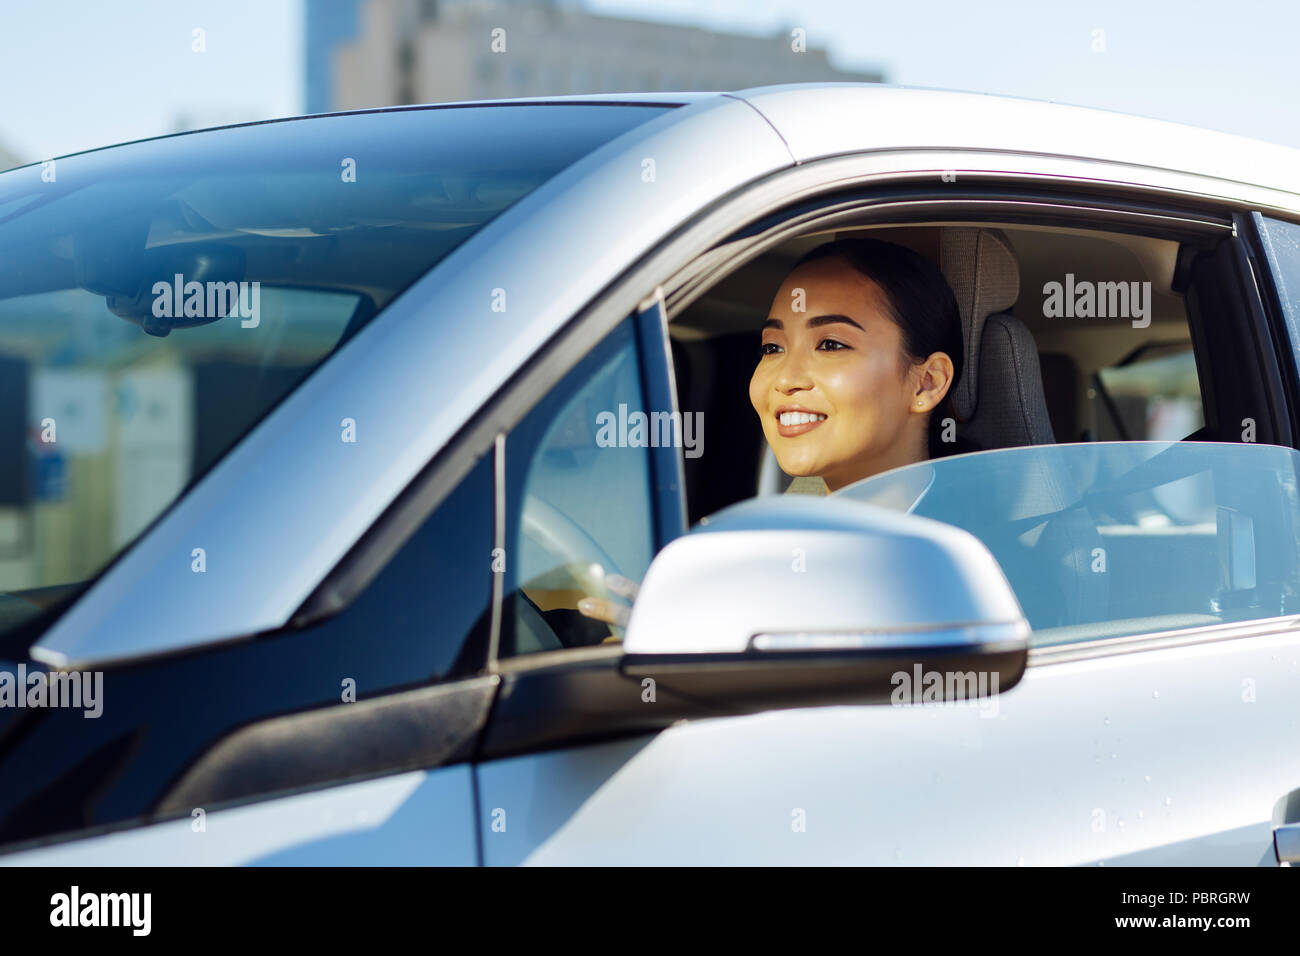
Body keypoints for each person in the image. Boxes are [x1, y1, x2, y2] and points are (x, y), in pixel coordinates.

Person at [750, 237, 975, 494]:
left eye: (830, 345)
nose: (785, 380)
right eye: (772, 348)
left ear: (927, 383)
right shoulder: (768, 531)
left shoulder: (989, 533)